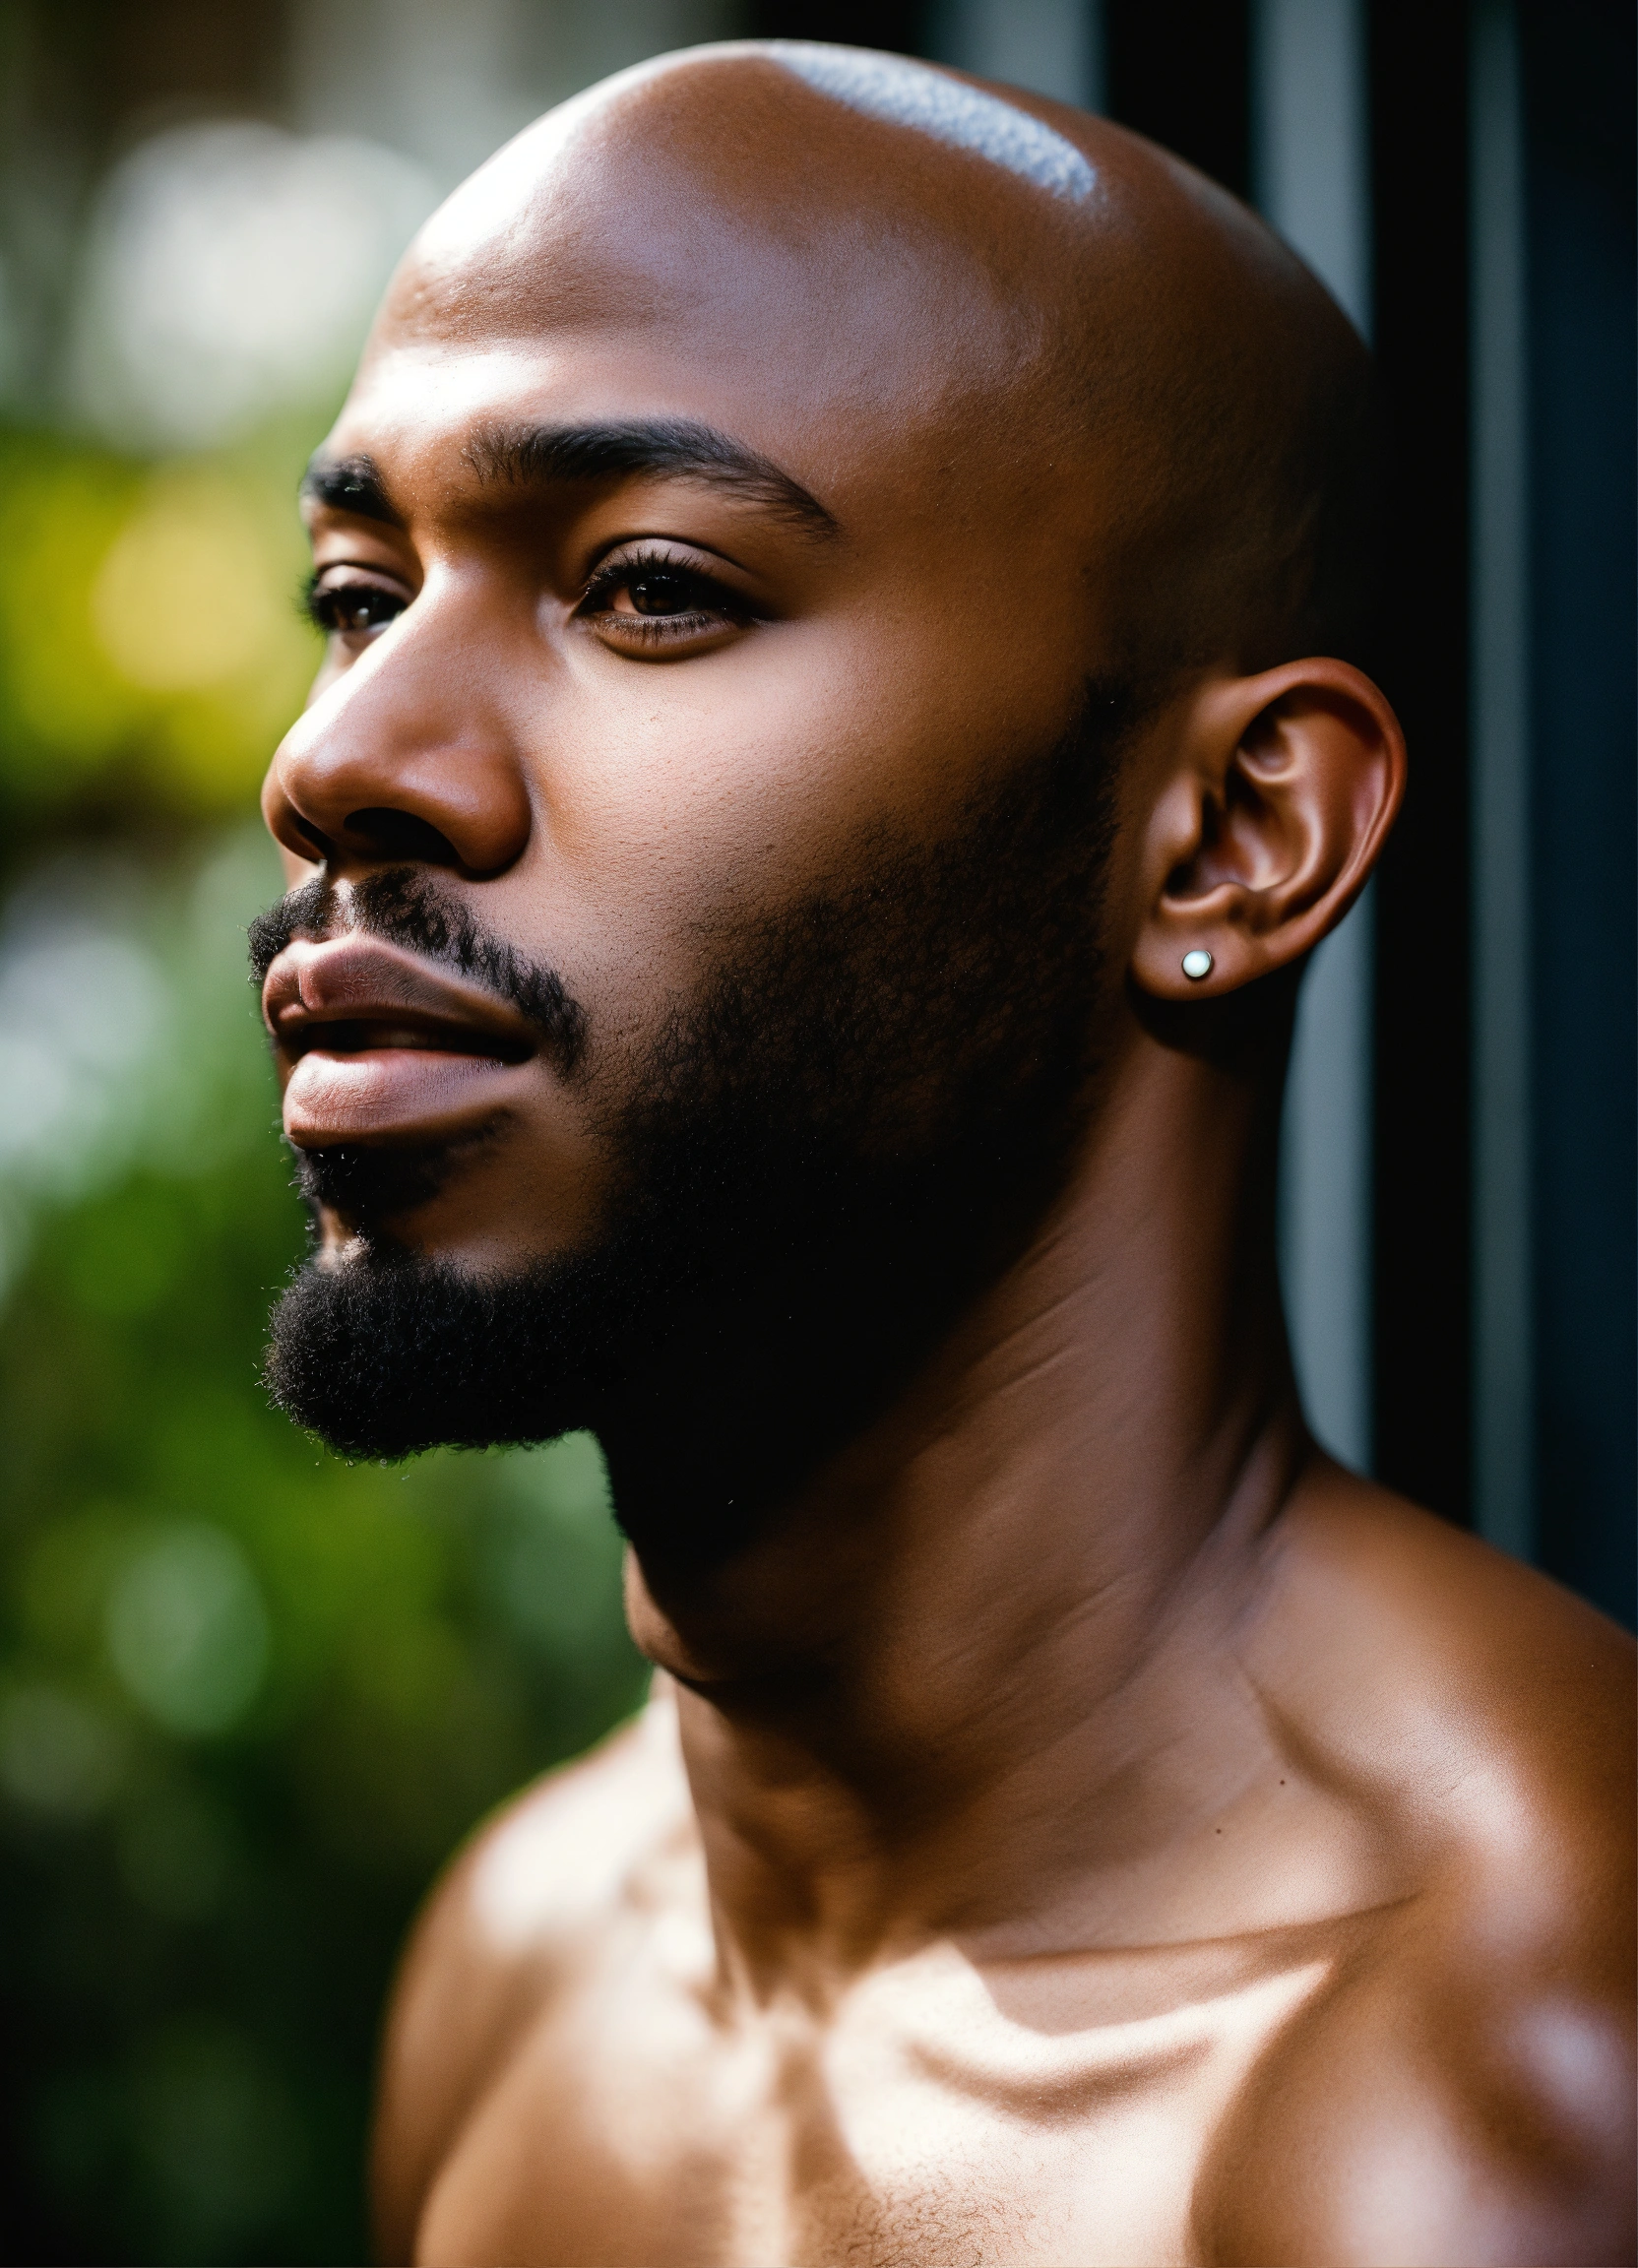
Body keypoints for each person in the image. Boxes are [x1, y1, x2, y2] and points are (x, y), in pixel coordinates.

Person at [249, 42, 1635, 2267]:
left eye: (649, 589)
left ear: (1228, 837)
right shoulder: (522, 1967)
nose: (339, 758)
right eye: (356, 592)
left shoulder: (1514, 2098)